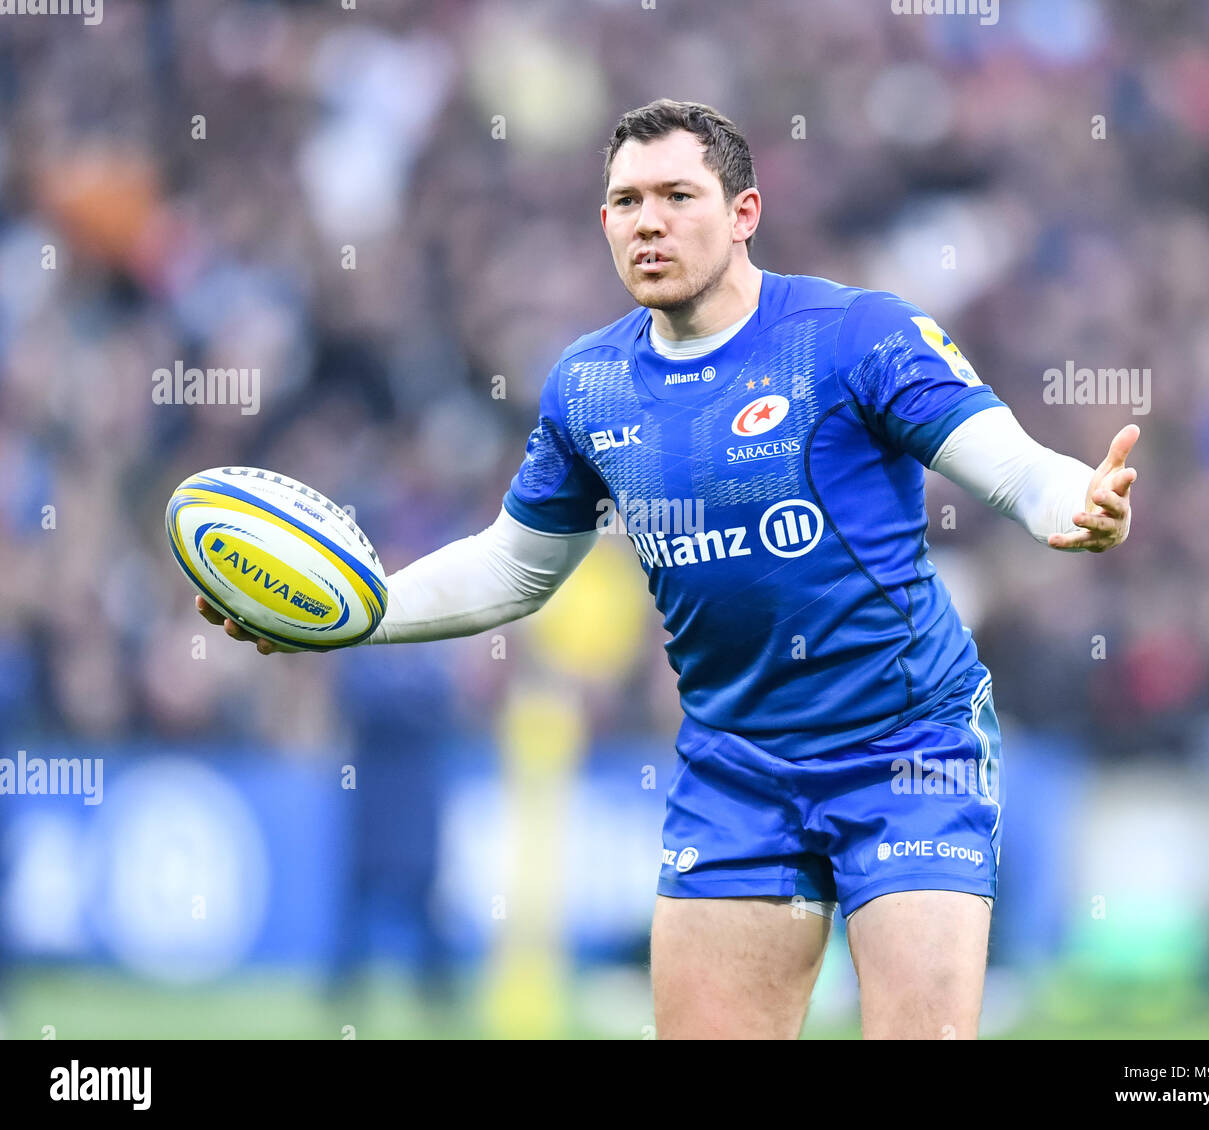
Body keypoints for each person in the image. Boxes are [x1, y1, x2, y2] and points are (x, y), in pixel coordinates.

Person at [199, 98, 1138, 1039]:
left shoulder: (853, 335)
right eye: (625, 201)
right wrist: (352, 611)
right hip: (737, 766)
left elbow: (1009, 460)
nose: (648, 220)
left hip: (907, 749)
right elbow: (515, 570)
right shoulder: (589, 386)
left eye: (678, 195)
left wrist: (1072, 502)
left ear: (744, 213)